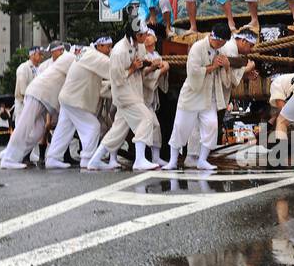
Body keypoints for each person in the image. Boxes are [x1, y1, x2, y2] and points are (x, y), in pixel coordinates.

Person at [162, 28, 257, 173]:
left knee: (211, 125)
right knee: (181, 126)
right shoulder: (198, 47)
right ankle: (174, 161)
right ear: (218, 39)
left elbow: (227, 78)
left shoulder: (221, 50)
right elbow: (193, 72)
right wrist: (214, 66)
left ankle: (201, 160)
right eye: (222, 43)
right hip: (192, 95)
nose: (222, 46)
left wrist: (226, 67)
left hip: (209, 96)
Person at [87, 19, 160, 173]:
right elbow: (117, 78)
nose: (146, 37)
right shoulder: (119, 50)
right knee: (146, 118)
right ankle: (139, 159)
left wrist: (148, 65)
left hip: (133, 91)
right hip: (123, 94)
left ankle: (94, 160)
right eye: (143, 34)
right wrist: (133, 68)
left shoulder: (139, 46)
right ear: (135, 35)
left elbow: (139, 66)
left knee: (118, 130)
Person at [0, 44, 76, 169]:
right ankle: (8, 158)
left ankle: (16, 155)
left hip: (45, 99)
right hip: (36, 94)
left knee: (38, 130)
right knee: (23, 127)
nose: (42, 55)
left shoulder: (63, 60)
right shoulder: (69, 58)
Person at [45, 37, 113, 170]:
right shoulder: (93, 55)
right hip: (73, 99)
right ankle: (88, 159)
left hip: (68, 97)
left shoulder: (87, 53)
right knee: (93, 126)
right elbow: (112, 67)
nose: (109, 50)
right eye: (107, 46)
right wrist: (130, 67)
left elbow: (97, 83)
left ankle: (52, 158)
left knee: (63, 129)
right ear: (99, 46)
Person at [141, 27, 170, 158]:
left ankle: (155, 157)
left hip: (150, 99)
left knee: (154, 125)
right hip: (140, 97)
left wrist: (163, 67)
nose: (149, 43)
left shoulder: (156, 55)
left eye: (152, 43)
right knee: (148, 125)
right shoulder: (140, 54)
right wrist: (160, 70)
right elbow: (144, 78)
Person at [14, 44, 44, 121]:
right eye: (40, 54)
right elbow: (22, 89)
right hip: (23, 104)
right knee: (22, 131)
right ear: (32, 55)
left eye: (42, 55)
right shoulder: (24, 67)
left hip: (35, 104)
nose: (42, 57)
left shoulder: (41, 68)